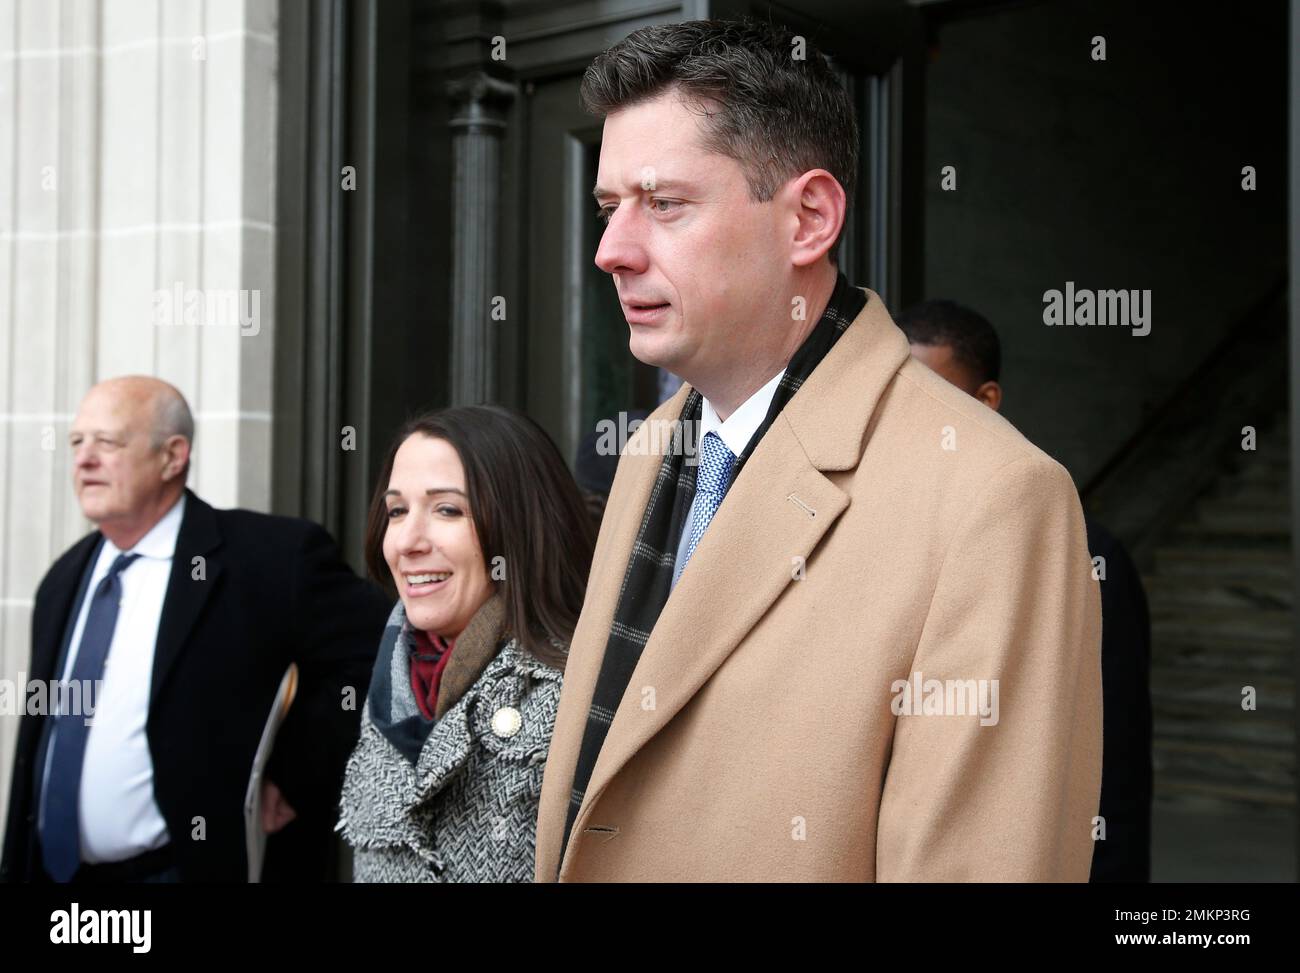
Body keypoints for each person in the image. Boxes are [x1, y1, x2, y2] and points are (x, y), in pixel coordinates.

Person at [534, 18, 1103, 882]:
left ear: (808, 219)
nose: (611, 250)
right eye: (610, 209)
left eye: (665, 204)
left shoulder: (995, 498)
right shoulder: (649, 448)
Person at [1, 376, 389, 883]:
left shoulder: (270, 558)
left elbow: (377, 654)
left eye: (108, 442)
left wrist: (294, 774)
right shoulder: (64, 577)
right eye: (77, 442)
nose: (84, 459)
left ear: (172, 456)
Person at [897, 298, 1154, 883]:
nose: (909, 420)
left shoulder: (1085, 553)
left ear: (987, 399)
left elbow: (1114, 760)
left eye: (934, 397)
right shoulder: (875, 531)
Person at [338, 406, 596, 882]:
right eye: (397, 511)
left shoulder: (584, 686)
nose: (408, 541)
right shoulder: (390, 683)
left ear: (519, 525)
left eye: (447, 510)